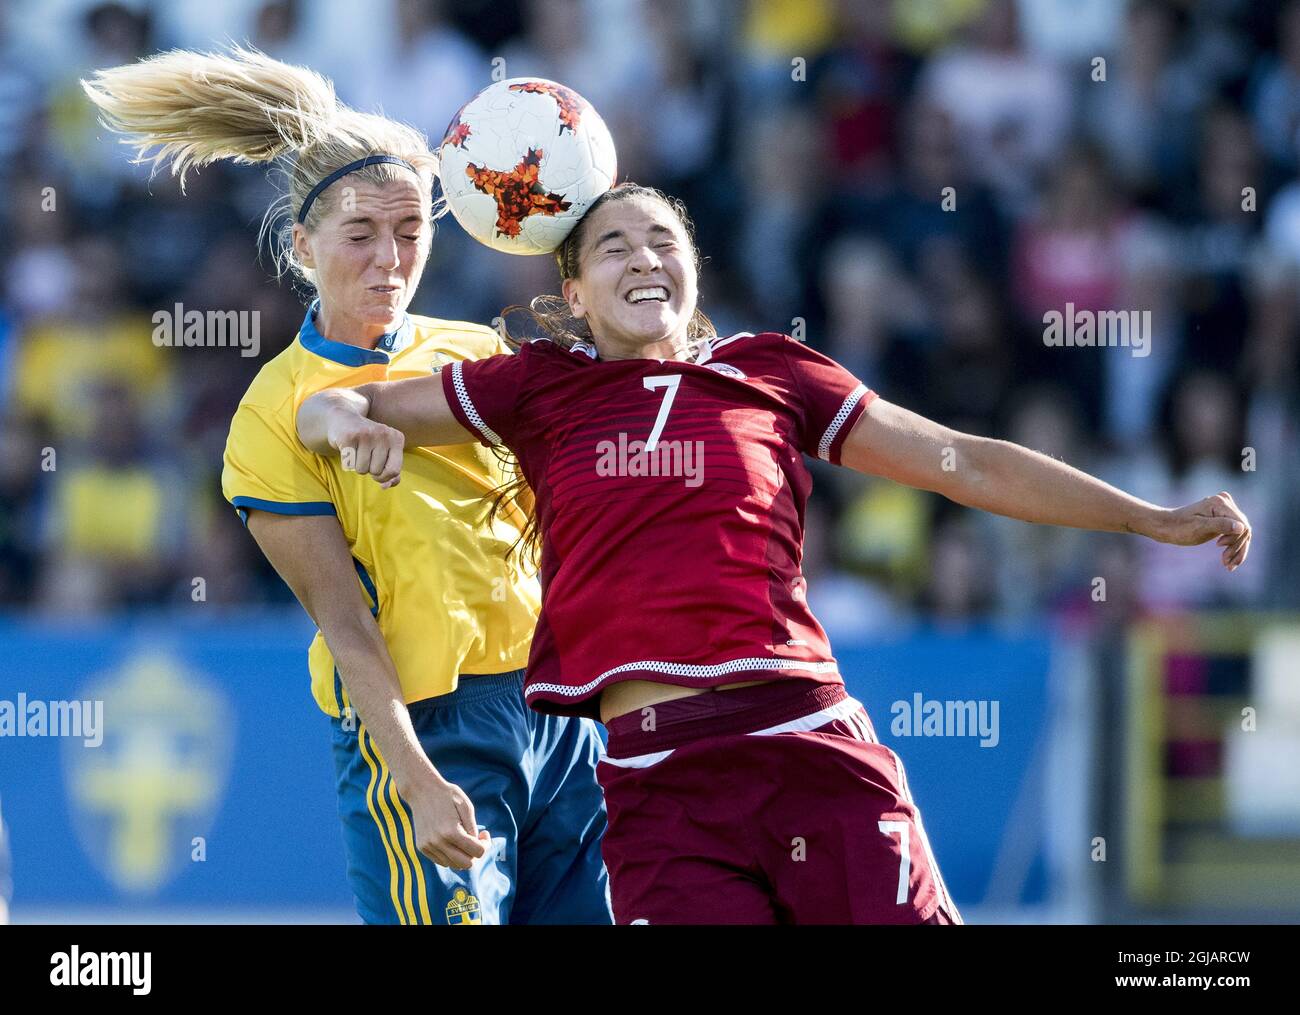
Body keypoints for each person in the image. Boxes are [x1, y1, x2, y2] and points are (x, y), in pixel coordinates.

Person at [298, 182, 1252, 925]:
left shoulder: (768, 372)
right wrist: (344, 421)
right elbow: (337, 401)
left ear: (695, 273)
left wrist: (1146, 518)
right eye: (614, 246)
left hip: (809, 747)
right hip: (656, 786)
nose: (644, 259)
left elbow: (966, 463)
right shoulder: (539, 386)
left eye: (663, 241)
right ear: (574, 291)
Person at [82, 47, 612, 926]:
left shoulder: (478, 353)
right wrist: (418, 781)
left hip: (556, 715)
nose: (390, 259)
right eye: (360, 234)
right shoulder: (270, 413)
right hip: (427, 732)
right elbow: (346, 622)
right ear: (301, 244)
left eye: (410, 231)